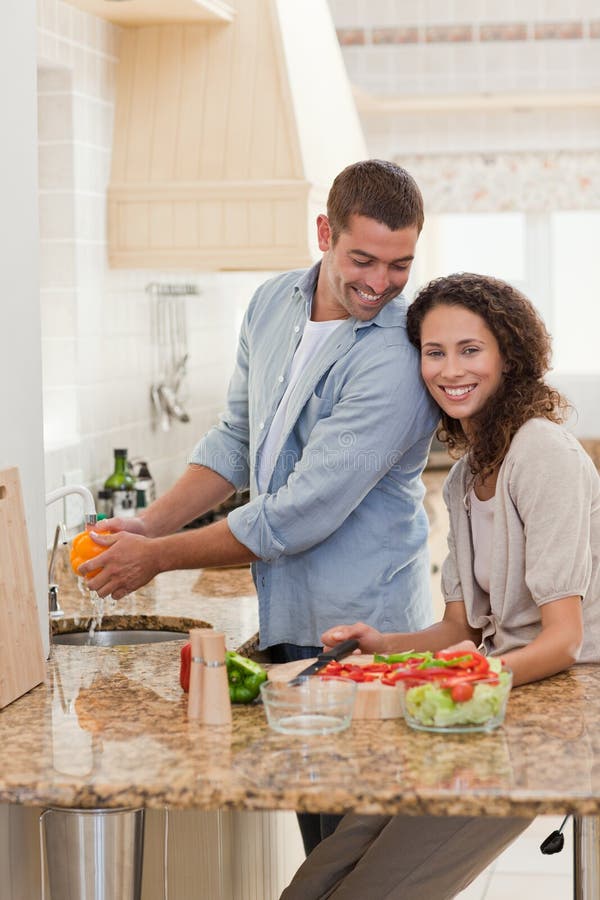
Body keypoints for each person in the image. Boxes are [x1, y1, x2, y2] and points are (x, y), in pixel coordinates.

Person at [80, 159, 439, 852]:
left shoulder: (395, 354)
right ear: (322, 232)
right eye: (363, 258)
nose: (380, 283)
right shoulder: (274, 301)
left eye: (401, 265)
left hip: (365, 637)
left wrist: (157, 557)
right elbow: (237, 436)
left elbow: (294, 515)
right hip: (288, 622)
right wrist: (148, 522)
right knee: (323, 836)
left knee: (360, 859)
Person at [280, 272, 600, 899]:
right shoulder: (464, 477)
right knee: (315, 879)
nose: (450, 369)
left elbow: (564, 641)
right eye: (435, 351)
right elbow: (460, 630)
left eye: (470, 349)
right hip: (498, 704)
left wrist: (459, 683)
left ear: (509, 355)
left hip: (561, 716)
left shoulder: (543, 454)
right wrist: (381, 644)